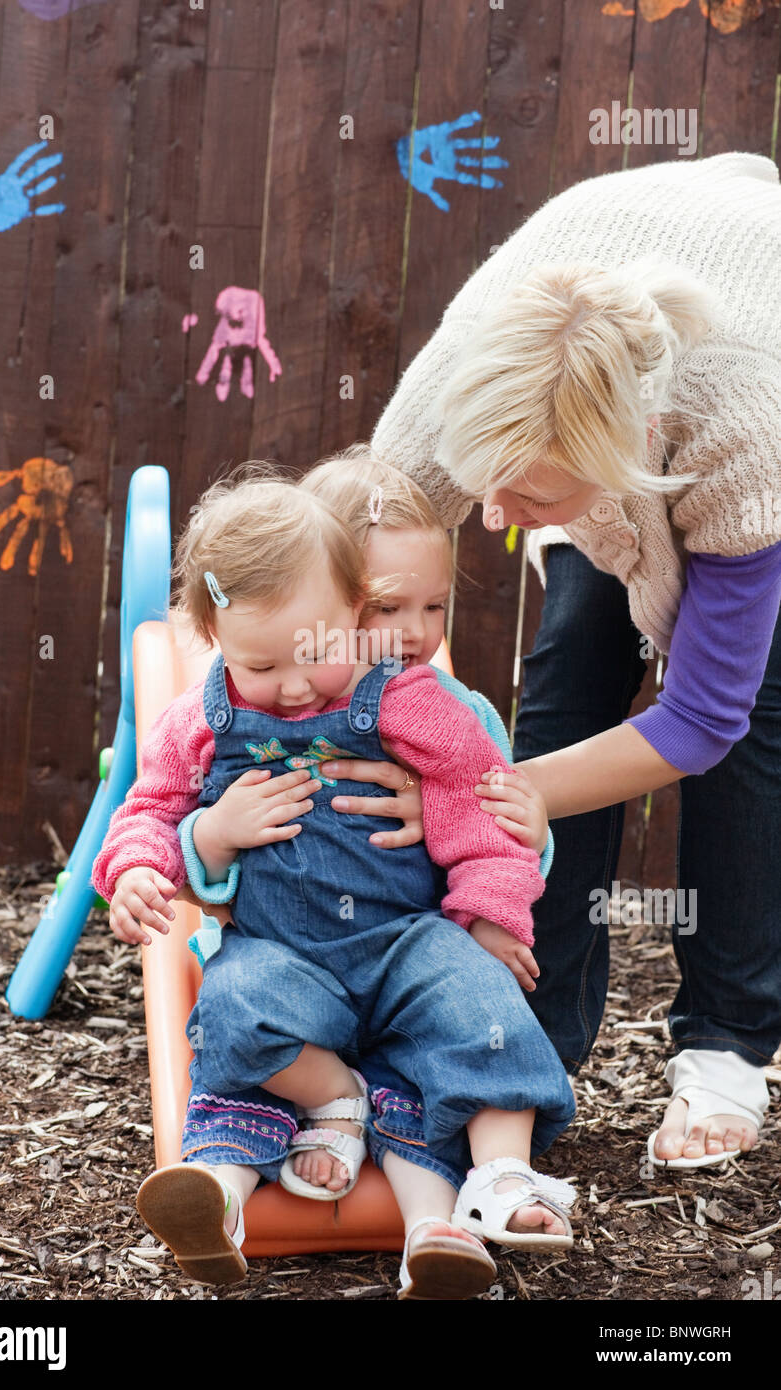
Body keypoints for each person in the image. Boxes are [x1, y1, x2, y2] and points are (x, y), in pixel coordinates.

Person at [367, 151, 781, 1169]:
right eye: (486, 488)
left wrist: (481, 790)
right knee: (566, 672)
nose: (493, 521)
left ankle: (727, 1045)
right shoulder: (459, 387)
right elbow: (351, 573)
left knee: (752, 729)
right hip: (601, 300)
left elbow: (698, 720)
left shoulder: (740, 428)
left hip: (750, 359)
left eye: (529, 499)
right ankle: (521, 1033)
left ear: (622, 451)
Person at [92, 467, 575, 1298]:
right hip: (282, 950)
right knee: (233, 1007)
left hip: (405, 944)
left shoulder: (411, 703)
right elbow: (148, 806)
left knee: (482, 998)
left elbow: (480, 804)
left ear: (346, 612)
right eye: (259, 664)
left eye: (311, 656)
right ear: (210, 636)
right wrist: (149, 862)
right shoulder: (200, 719)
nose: (288, 686)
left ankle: (502, 1179)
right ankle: (332, 1103)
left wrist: (493, 913)